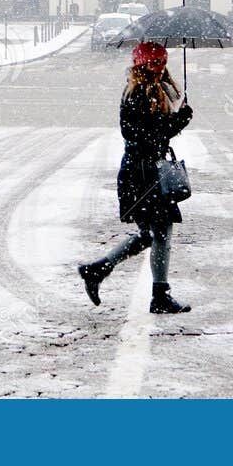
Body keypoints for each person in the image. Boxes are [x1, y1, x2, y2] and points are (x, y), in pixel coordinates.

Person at [77, 41, 194, 314]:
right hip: (140, 174)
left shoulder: (156, 91)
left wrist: (176, 118)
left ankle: (99, 270)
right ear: (141, 65)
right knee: (158, 233)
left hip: (146, 170)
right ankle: (157, 295)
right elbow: (141, 135)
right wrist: (178, 121)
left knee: (151, 235)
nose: (160, 66)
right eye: (154, 62)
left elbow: (155, 133)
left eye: (163, 61)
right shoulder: (138, 93)